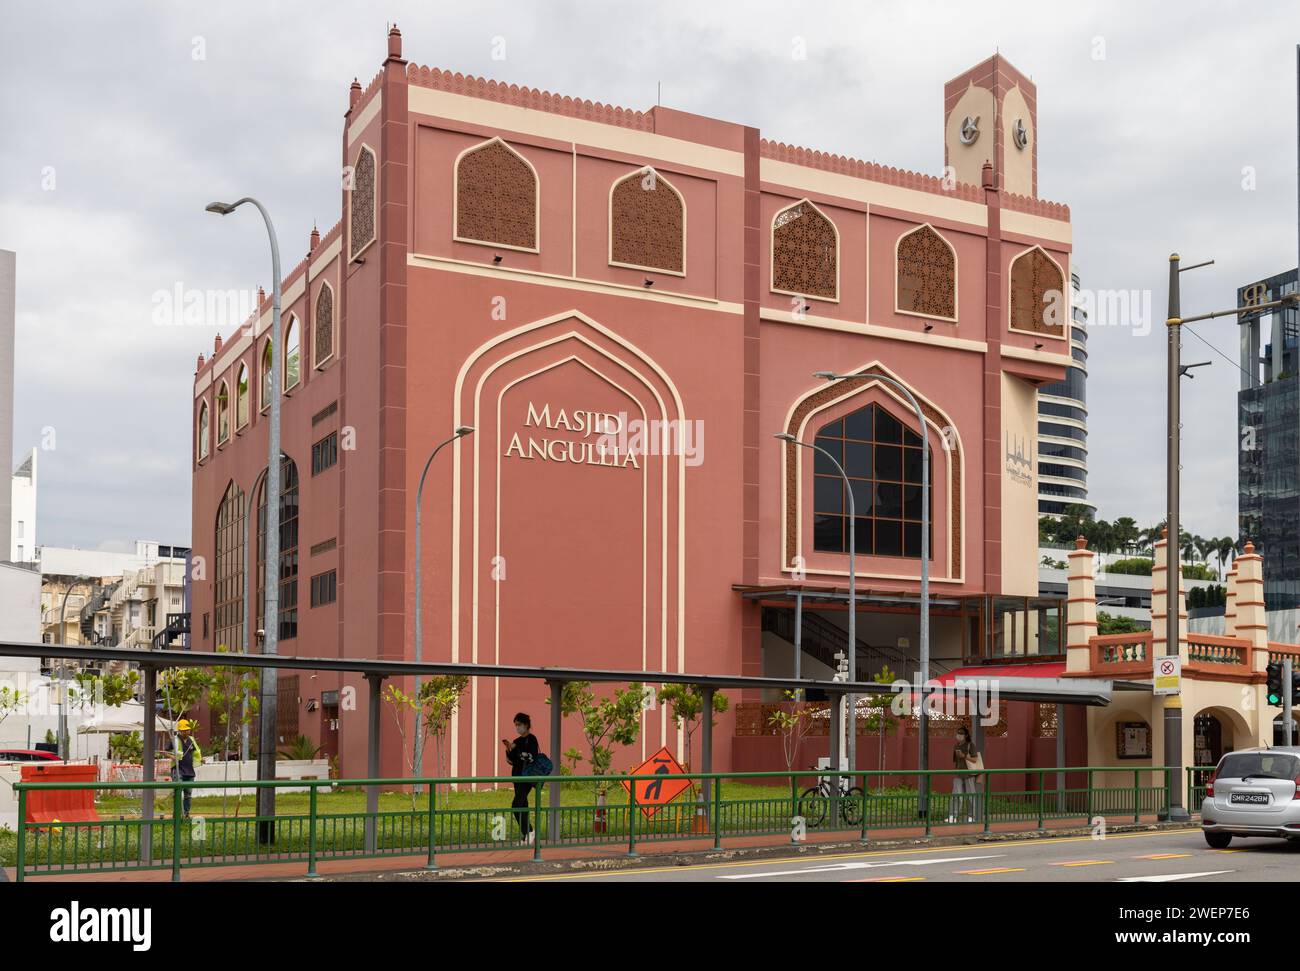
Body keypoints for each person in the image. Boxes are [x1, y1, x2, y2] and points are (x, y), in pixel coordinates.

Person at [502, 712, 539, 844]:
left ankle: (529, 832)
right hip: (517, 777)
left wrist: (516, 751)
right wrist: (508, 749)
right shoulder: (516, 741)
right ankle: (527, 835)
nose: (517, 727)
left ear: (526, 725)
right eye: (516, 725)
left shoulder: (532, 739)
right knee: (522, 805)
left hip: (527, 778)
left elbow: (531, 756)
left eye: (519, 724)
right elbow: (511, 761)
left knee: (516, 805)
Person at [164, 719, 202, 817]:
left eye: (188, 729)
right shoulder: (174, 740)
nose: (186, 732)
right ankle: (176, 814)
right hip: (178, 770)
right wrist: (173, 757)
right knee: (177, 793)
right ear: (180, 730)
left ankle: (186, 814)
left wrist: (201, 760)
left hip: (189, 771)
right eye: (184, 730)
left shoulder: (191, 740)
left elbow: (195, 753)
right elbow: (165, 752)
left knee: (188, 794)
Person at [949, 724, 980, 823]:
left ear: (966, 735)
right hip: (958, 774)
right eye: (958, 733)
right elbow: (955, 761)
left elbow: (975, 759)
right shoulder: (956, 745)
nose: (959, 735)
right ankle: (953, 816)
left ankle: (971, 816)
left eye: (961, 734)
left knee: (970, 796)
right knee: (956, 795)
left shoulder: (970, 745)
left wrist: (964, 756)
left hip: (969, 774)